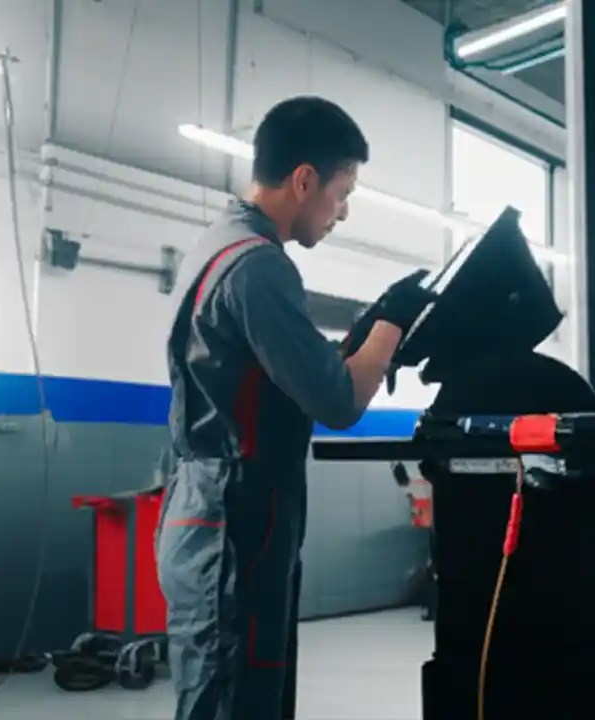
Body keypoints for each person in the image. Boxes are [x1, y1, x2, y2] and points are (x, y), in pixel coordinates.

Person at [155, 96, 433, 720]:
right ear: (305, 179)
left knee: (244, 691)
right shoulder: (259, 268)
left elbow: (291, 371)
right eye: (343, 190)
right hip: (235, 522)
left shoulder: (222, 243)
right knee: (233, 698)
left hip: (220, 514)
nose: (343, 211)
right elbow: (338, 400)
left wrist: (361, 337)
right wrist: (392, 322)